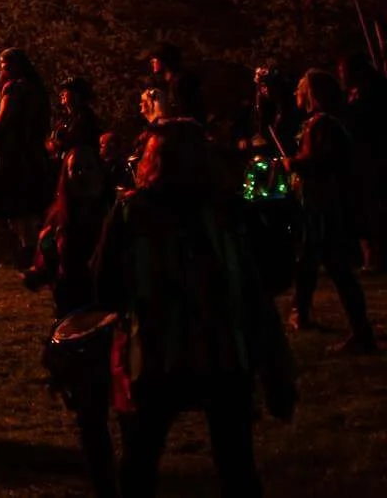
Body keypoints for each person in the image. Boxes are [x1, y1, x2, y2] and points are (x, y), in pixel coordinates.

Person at [93, 120, 294, 498]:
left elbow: (104, 286)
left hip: (156, 352)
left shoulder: (133, 212)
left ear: (152, 160)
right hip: (222, 352)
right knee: (235, 464)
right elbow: (275, 273)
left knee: (141, 462)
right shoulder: (231, 209)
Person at [23, 113, 117, 498]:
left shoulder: (119, 213)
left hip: (118, 320)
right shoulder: (58, 221)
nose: (82, 175)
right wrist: (37, 272)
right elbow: (48, 264)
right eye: (75, 169)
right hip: (76, 325)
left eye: (88, 167)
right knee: (90, 418)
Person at [287, 70, 378, 351]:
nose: (296, 93)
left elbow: (321, 164)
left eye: (300, 88)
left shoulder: (324, 125)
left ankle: (362, 333)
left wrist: (294, 163)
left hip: (324, 209)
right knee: (310, 263)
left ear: (312, 93)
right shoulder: (324, 123)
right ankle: (302, 314)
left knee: (338, 270)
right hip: (321, 207)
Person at [0, 48, 54, 256]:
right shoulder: (36, 89)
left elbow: (4, 115)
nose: (2, 70)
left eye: (6, 66)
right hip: (34, 155)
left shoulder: (15, 88)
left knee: (20, 207)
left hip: (16, 156)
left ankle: (31, 253)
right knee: (31, 207)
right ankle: (38, 251)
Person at [337, 52, 387, 271]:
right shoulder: (353, 93)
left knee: (374, 207)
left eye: (343, 70)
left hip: (373, 157)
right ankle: (369, 255)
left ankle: (377, 255)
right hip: (360, 158)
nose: (341, 75)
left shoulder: (373, 91)